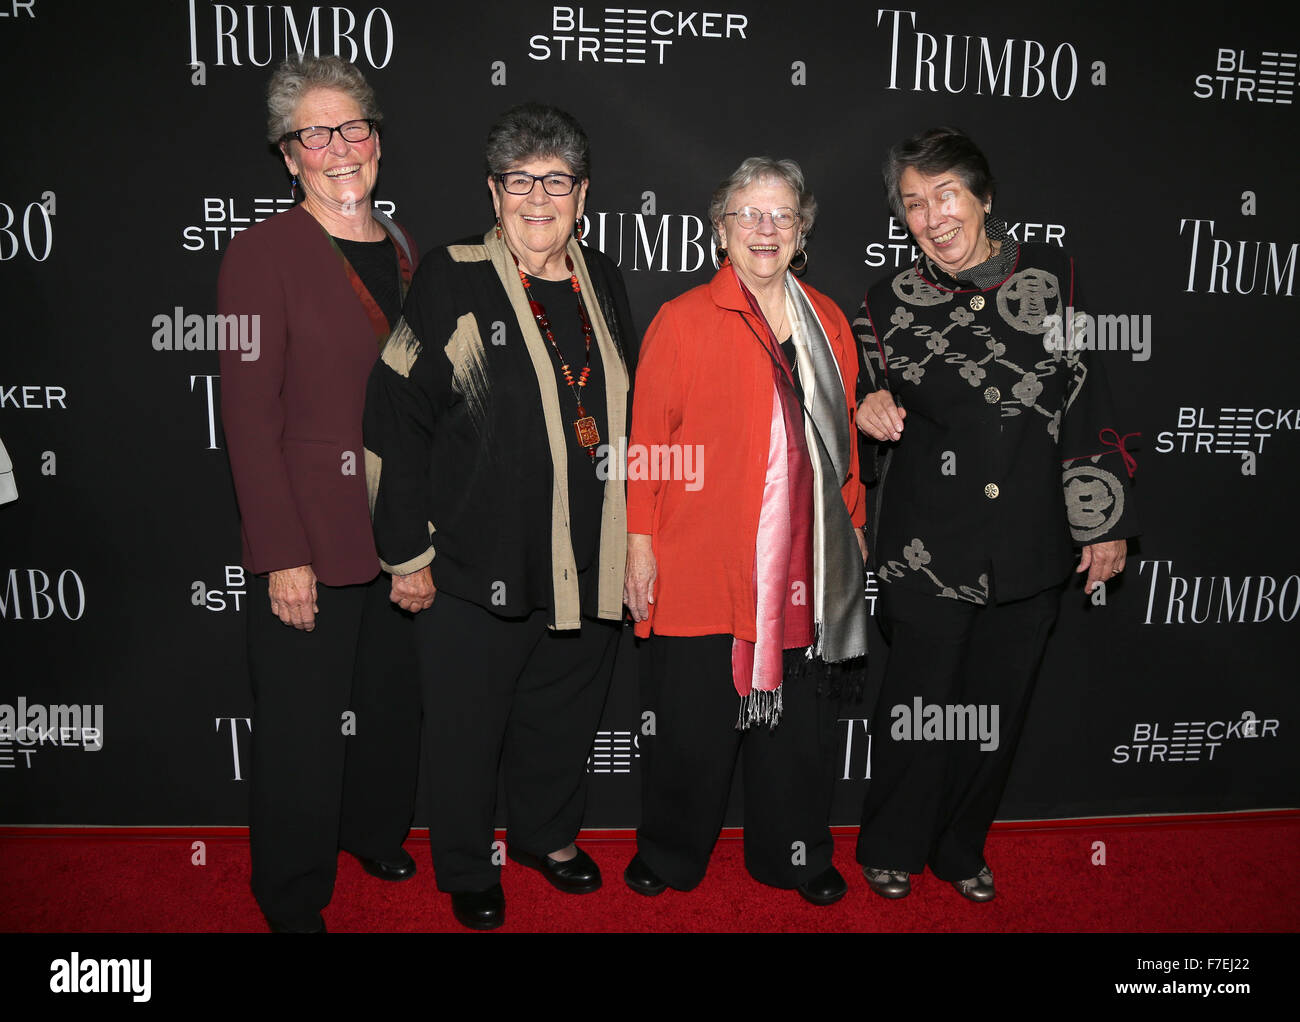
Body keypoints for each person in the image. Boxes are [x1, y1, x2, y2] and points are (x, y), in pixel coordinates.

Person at [363, 103, 635, 931]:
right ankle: (466, 865)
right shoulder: (453, 275)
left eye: (557, 181)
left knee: (561, 714)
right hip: (474, 561)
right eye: (521, 181)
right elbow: (393, 412)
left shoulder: (605, 283)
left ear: (583, 195)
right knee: (467, 730)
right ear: (494, 191)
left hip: (588, 559)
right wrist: (406, 551)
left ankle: (545, 839)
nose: (539, 198)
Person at [854, 126, 1138, 902]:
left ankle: (959, 850)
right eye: (913, 204)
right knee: (916, 712)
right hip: (926, 549)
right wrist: (868, 407)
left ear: (983, 197)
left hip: (1030, 544)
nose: (932, 216)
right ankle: (890, 843)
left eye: (946, 195)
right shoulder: (885, 302)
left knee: (993, 717)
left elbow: (1088, 399)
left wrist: (1102, 519)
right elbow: (867, 398)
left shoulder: (1053, 278)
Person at [623, 157, 868, 906]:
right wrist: (639, 544)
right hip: (700, 562)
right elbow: (647, 445)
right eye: (748, 215)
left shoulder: (829, 322)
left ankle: (794, 856)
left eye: (782, 216)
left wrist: (854, 531)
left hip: (806, 563)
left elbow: (843, 450)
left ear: (802, 233)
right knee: (691, 733)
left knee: (799, 735)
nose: (765, 230)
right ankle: (668, 855)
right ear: (719, 228)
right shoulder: (683, 318)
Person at [217, 56, 422, 933]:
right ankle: (292, 892)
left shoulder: (408, 250)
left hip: (401, 531)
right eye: (316, 133)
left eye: (354, 128)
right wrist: (281, 555)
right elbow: (247, 417)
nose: (340, 147)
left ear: (377, 139)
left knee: (390, 701)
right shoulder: (259, 254)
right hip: (312, 529)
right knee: (302, 725)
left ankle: (373, 831)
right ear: (287, 153)